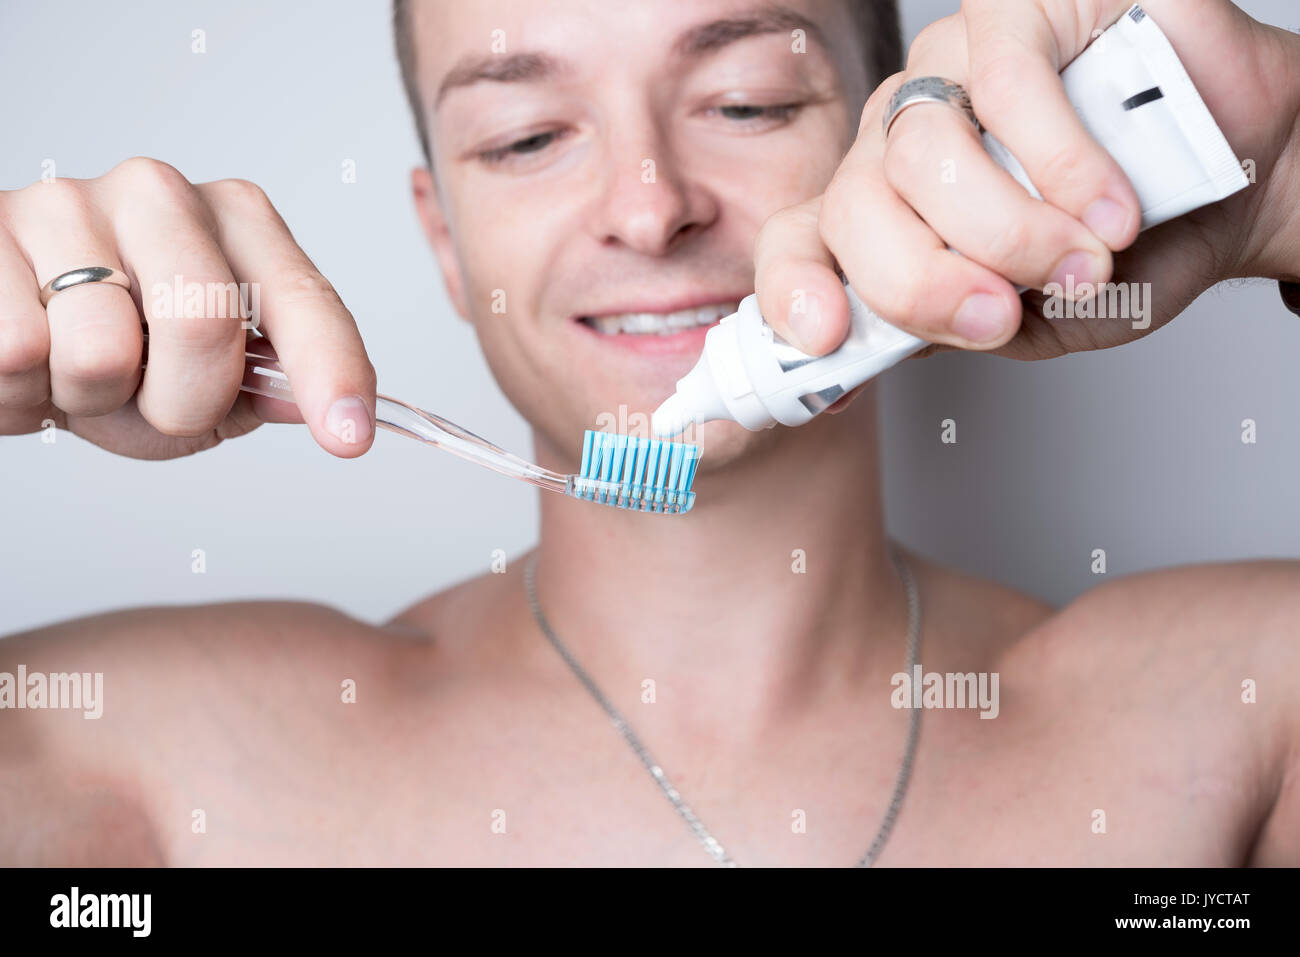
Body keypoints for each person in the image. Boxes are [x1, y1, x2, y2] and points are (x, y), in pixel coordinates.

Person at [1, 0, 1297, 866]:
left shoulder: (1246, 711)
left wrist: (1289, 169)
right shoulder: (137, 748)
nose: (648, 205)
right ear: (445, 242)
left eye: (746, 104)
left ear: (910, 142)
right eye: (525, 135)